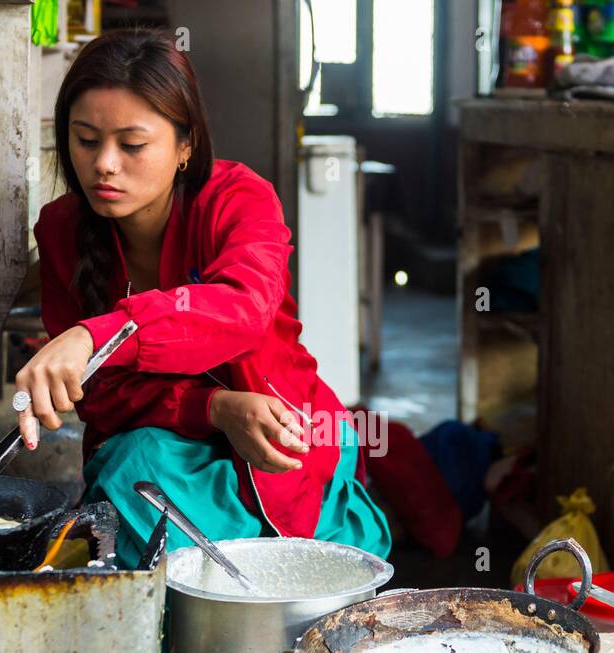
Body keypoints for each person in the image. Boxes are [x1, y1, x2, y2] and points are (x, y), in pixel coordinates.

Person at [19, 29, 390, 568]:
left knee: (304, 583)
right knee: (143, 501)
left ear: (185, 144)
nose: (104, 164)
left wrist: (94, 335)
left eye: (132, 144)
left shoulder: (240, 200)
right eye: (85, 139)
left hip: (280, 432)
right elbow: (101, 397)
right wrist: (213, 408)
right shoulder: (60, 230)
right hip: (160, 445)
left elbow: (242, 309)